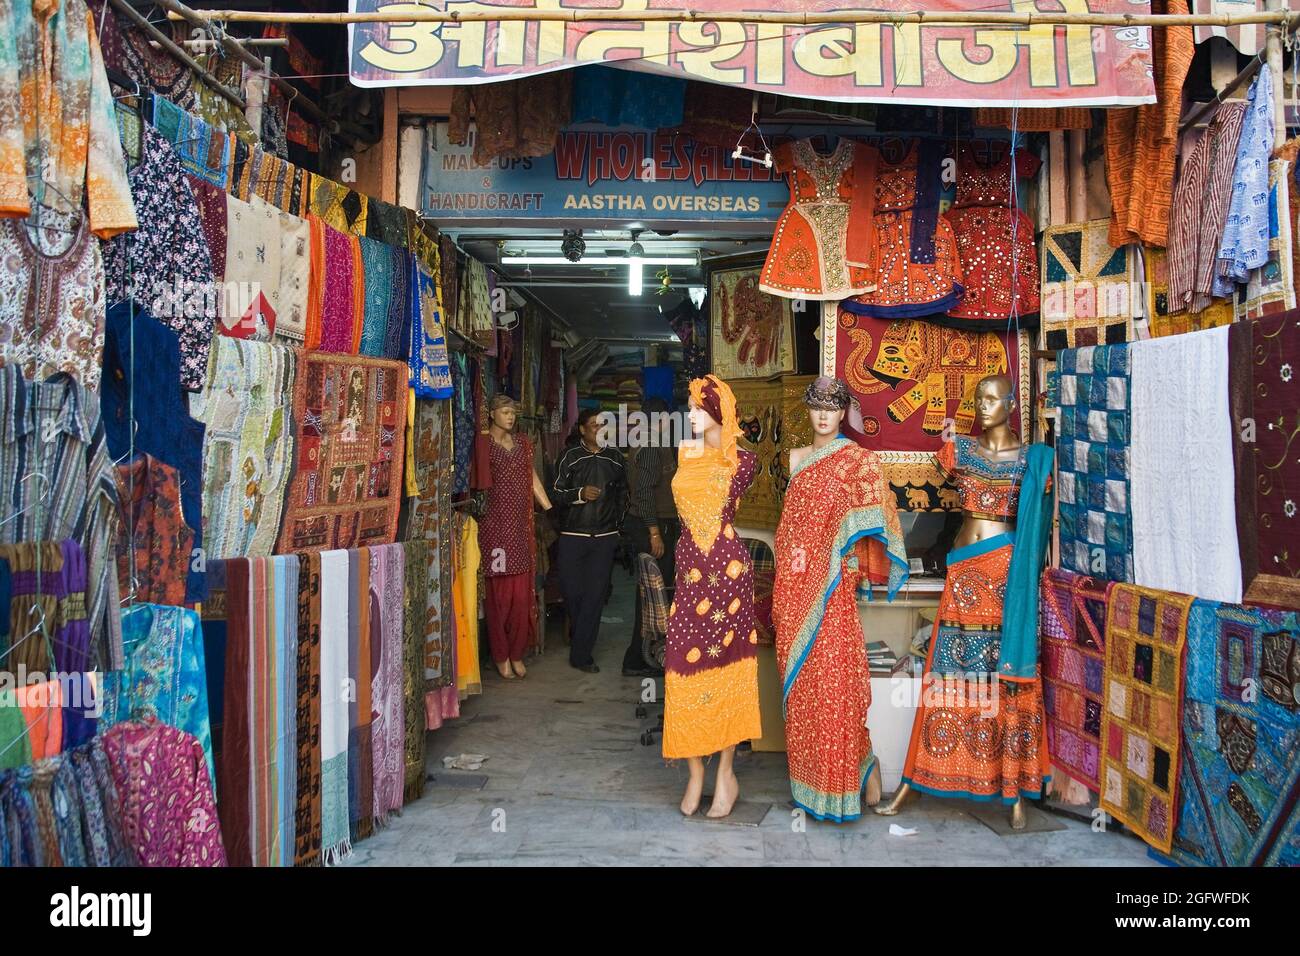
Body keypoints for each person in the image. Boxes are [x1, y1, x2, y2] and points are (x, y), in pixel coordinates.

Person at [877, 374, 1052, 829]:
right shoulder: (962, 452)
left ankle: (1011, 788)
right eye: (979, 399)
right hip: (963, 574)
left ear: (1013, 404)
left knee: (1003, 677)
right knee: (948, 674)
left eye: (993, 398)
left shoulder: (1034, 461)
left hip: (1004, 581)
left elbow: (1037, 525)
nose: (984, 406)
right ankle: (916, 780)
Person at [773, 377, 909, 822]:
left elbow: (878, 520)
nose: (824, 416)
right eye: (816, 408)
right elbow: (792, 528)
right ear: (807, 411)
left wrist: (844, 560)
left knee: (836, 690)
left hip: (832, 594)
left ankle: (849, 781)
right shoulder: (793, 460)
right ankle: (811, 787)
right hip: (793, 590)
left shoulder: (858, 463)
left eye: (833, 408)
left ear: (843, 412)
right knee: (804, 694)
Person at [663, 375, 762, 818]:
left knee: (725, 669)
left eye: (696, 409)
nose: (689, 416)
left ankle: (724, 772)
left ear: (718, 412)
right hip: (690, 575)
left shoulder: (744, 461)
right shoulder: (685, 452)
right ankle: (694, 772)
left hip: (728, 574)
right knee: (683, 667)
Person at [479, 394, 554, 681]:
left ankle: (516, 652)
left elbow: (531, 475)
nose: (510, 417)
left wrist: (547, 506)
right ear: (492, 414)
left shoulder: (523, 443)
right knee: (498, 598)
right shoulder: (484, 444)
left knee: (521, 596)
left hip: (520, 528)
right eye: (505, 412)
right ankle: (500, 655)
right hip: (494, 528)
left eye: (513, 413)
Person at [551, 408, 627, 673]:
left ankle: (581, 655)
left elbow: (623, 497)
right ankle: (580, 631)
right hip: (573, 535)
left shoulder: (616, 458)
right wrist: (580, 493)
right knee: (572, 592)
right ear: (582, 429)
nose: (599, 428)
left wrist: (617, 527)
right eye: (593, 425)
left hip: (604, 538)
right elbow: (556, 494)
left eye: (603, 424)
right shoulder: (570, 457)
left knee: (595, 596)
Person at [622, 397, 679, 677]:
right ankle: (640, 657)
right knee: (654, 593)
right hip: (653, 526)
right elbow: (643, 493)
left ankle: (645, 656)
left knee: (653, 592)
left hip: (658, 523)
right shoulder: (650, 446)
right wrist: (654, 531)